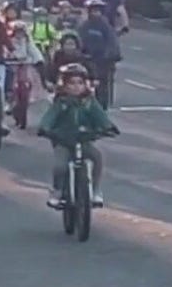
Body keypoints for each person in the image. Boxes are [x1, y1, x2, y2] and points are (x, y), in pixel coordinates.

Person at [37, 62, 119, 209]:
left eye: (80, 83)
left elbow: (100, 116)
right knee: (60, 166)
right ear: (64, 85)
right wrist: (44, 128)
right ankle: (57, 191)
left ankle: (95, 191)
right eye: (71, 83)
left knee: (97, 157)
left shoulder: (89, 102)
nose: (76, 87)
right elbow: (50, 117)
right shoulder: (61, 103)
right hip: (64, 140)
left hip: (84, 140)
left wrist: (109, 127)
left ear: (86, 84)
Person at [78, 0, 121, 108]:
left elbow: (112, 42)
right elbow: (79, 41)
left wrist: (110, 56)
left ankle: (102, 105)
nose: (96, 13)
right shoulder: (84, 26)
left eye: (98, 11)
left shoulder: (106, 26)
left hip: (103, 61)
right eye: (93, 11)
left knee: (103, 84)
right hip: (88, 59)